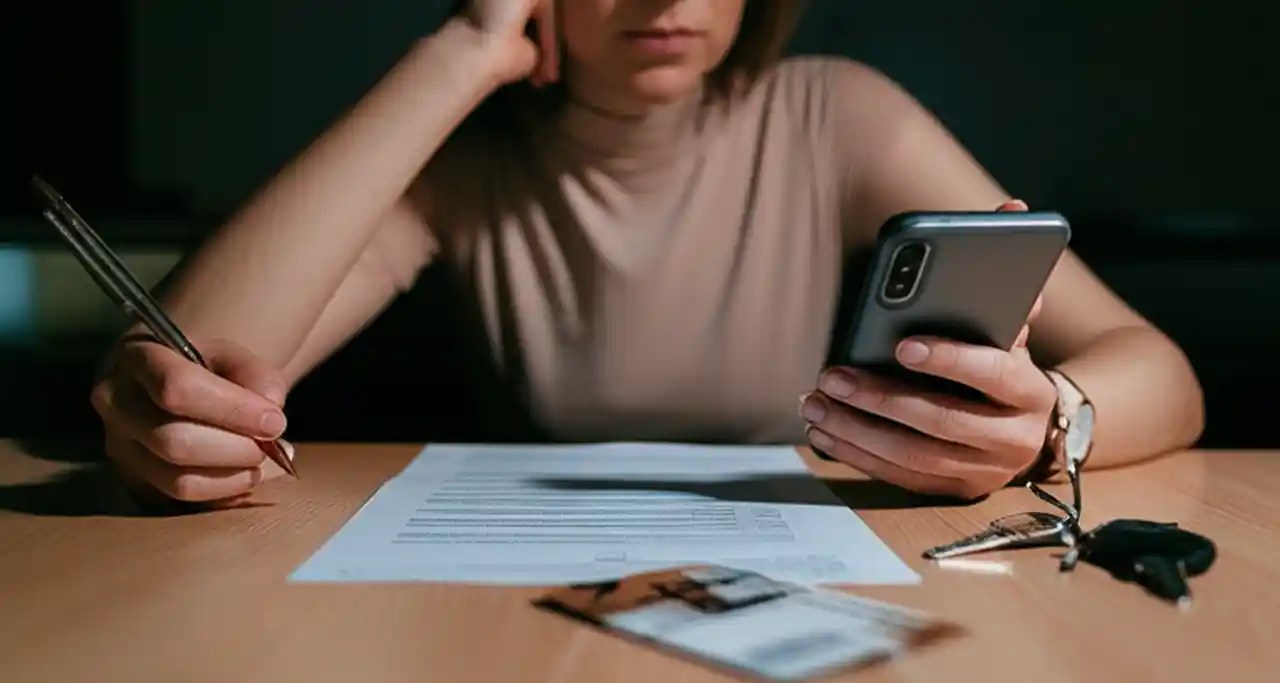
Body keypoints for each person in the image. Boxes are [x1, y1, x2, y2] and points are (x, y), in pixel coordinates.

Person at [89, 0, 1204, 508]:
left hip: (797, 575)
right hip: (515, 618)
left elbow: (1155, 367)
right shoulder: (463, 159)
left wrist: (1046, 426)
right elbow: (198, 359)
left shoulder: (834, 111)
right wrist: (464, 49)